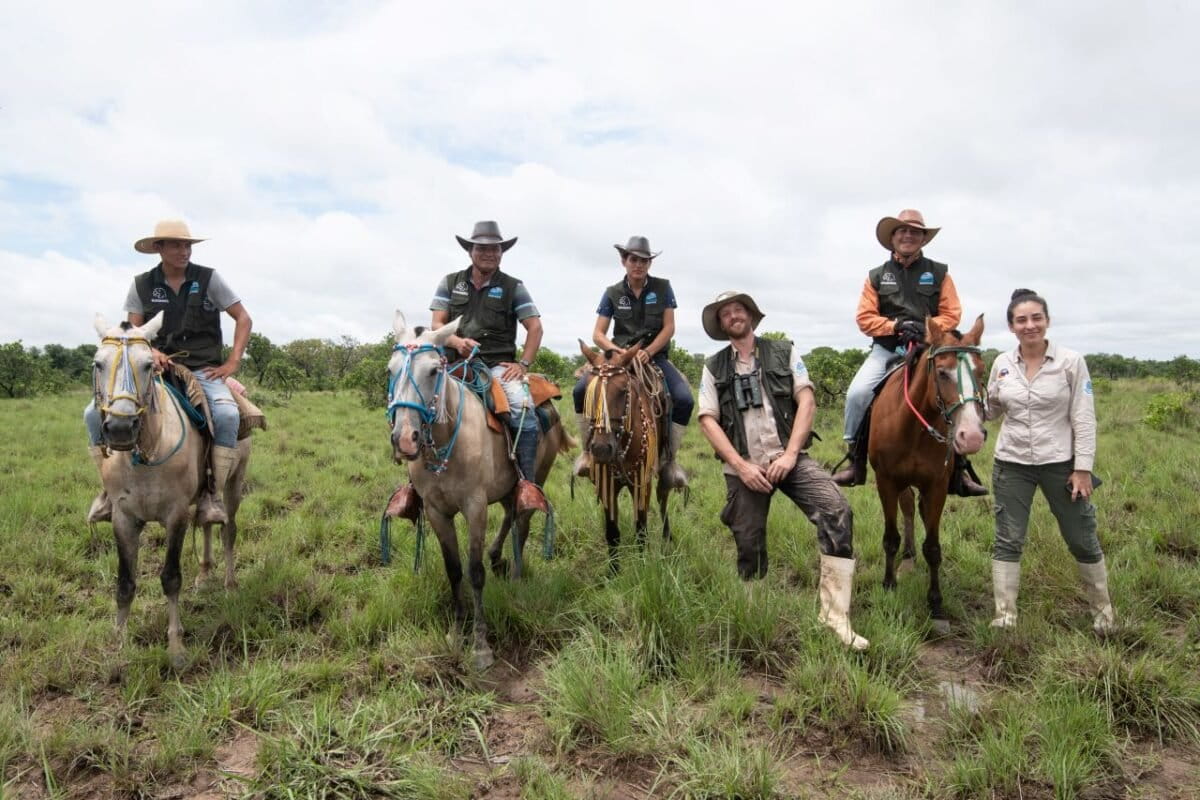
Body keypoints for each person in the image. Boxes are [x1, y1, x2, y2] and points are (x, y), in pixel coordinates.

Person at [697, 290, 867, 650]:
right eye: (725, 313)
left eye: (738, 309)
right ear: (721, 323)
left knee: (836, 510)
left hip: (787, 456)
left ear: (752, 316)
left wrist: (790, 455)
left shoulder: (783, 351)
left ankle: (835, 616)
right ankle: (753, 609)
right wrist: (741, 467)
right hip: (743, 466)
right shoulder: (713, 367)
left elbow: (806, 398)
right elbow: (708, 420)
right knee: (748, 536)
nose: (733, 316)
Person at [84, 219, 253, 525]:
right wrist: (153, 352)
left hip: (204, 368)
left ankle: (210, 495)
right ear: (158, 248)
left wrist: (232, 363)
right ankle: (109, 493)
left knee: (228, 416)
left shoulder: (209, 279)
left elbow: (243, 318)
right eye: (176, 245)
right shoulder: (142, 284)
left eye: (187, 245)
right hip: (155, 367)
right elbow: (133, 333)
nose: (183, 251)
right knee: (92, 414)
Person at [985, 288, 1115, 634]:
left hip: (1061, 463)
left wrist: (1083, 468)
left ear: (1047, 321)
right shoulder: (1002, 364)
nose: (1030, 326)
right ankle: (1005, 615)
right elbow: (991, 410)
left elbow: (1084, 418)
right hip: (1011, 464)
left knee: (1080, 536)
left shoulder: (1071, 362)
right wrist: (966, 407)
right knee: (1008, 538)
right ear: (1011, 326)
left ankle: (1103, 613)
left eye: (1036, 318)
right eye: (1021, 320)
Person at [832, 209, 988, 496]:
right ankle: (855, 458)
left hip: (929, 349)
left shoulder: (939, 273)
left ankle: (960, 467)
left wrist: (928, 329)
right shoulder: (876, 276)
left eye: (915, 232)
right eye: (902, 231)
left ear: (923, 239)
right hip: (887, 349)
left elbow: (952, 313)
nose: (908, 235)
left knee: (955, 389)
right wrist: (895, 325)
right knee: (857, 394)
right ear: (893, 238)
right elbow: (865, 318)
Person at [430, 220, 546, 508]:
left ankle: (526, 485)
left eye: (495, 249)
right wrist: (456, 342)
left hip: (496, 366)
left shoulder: (513, 287)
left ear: (501, 253)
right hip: (454, 364)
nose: (489, 254)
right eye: (482, 248)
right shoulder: (450, 282)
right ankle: (416, 488)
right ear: (470, 250)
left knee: (524, 413)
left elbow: (535, 328)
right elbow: (436, 324)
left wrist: (524, 363)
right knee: (417, 405)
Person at [572, 236, 693, 487]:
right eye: (633, 260)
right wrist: (620, 352)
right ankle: (586, 452)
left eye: (644, 260)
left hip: (654, 356)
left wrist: (647, 351)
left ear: (650, 264)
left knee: (684, 399)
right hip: (619, 358)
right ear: (624, 261)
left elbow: (669, 328)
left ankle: (669, 461)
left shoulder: (663, 288)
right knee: (581, 389)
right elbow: (598, 334)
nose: (638, 265)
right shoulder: (612, 293)